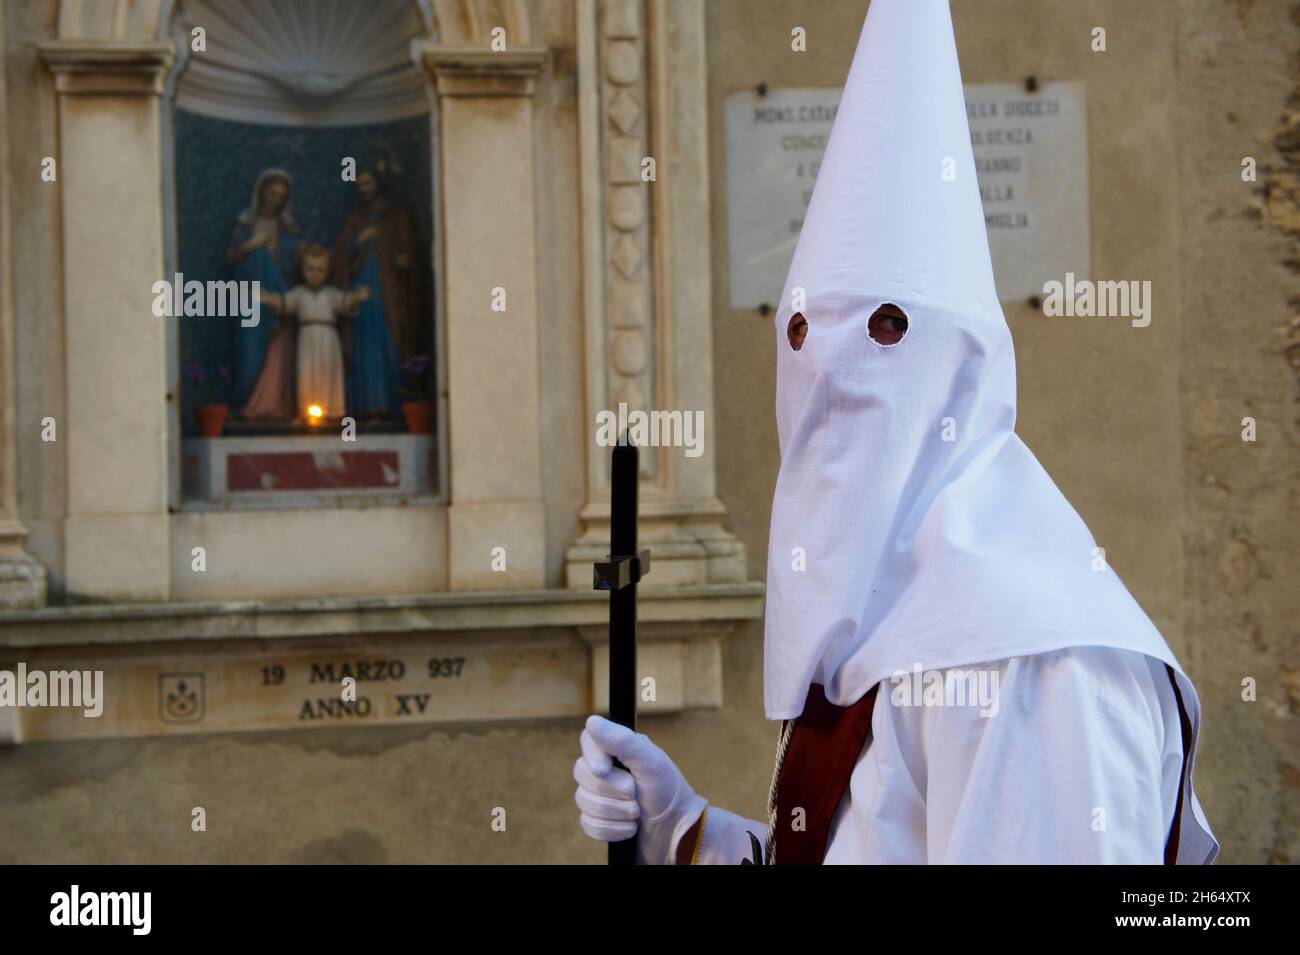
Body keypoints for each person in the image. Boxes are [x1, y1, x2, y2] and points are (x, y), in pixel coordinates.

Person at [573, 0, 1219, 865]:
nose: (832, 375)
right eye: (802, 338)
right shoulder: (901, 622)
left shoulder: (1021, 661)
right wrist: (688, 832)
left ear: (963, 364)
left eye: (885, 330)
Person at [332, 163, 422, 417]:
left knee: (390, 338)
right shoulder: (355, 219)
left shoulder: (396, 216)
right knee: (364, 343)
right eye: (359, 185)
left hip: (389, 287)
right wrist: (359, 243)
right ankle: (365, 405)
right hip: (363, 283)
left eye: (368, 183)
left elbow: (410, 253)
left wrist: (404, 260)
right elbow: (339, 258)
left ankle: (393, 404)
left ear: (379, 183)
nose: (364, 189)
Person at [261, 243, 369, 422]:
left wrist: (355, 298)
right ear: (303, 270)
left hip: (328, 339)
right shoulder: (300, 293)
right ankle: (306, 412)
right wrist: (268, 298)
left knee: (329, 373)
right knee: (306, 374)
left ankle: (332, 412)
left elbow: (345, 303)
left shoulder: (331, 293)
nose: (315, 274)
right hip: (307, 339)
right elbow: (284, 303)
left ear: (327, 272)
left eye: (320, 270)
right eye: (311, 269)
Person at [227, 168, 301, 413]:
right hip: (250, 298)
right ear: (261, 193)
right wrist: (251, 247)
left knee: (278, 358)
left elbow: (296, 264)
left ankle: (275, 407)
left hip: (279, 299)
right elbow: (231, 259)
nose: (276, 199)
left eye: (282, 195)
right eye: (272, 193)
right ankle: (244, 404)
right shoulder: (245, 225)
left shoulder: (288, 229)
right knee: (251, 355)